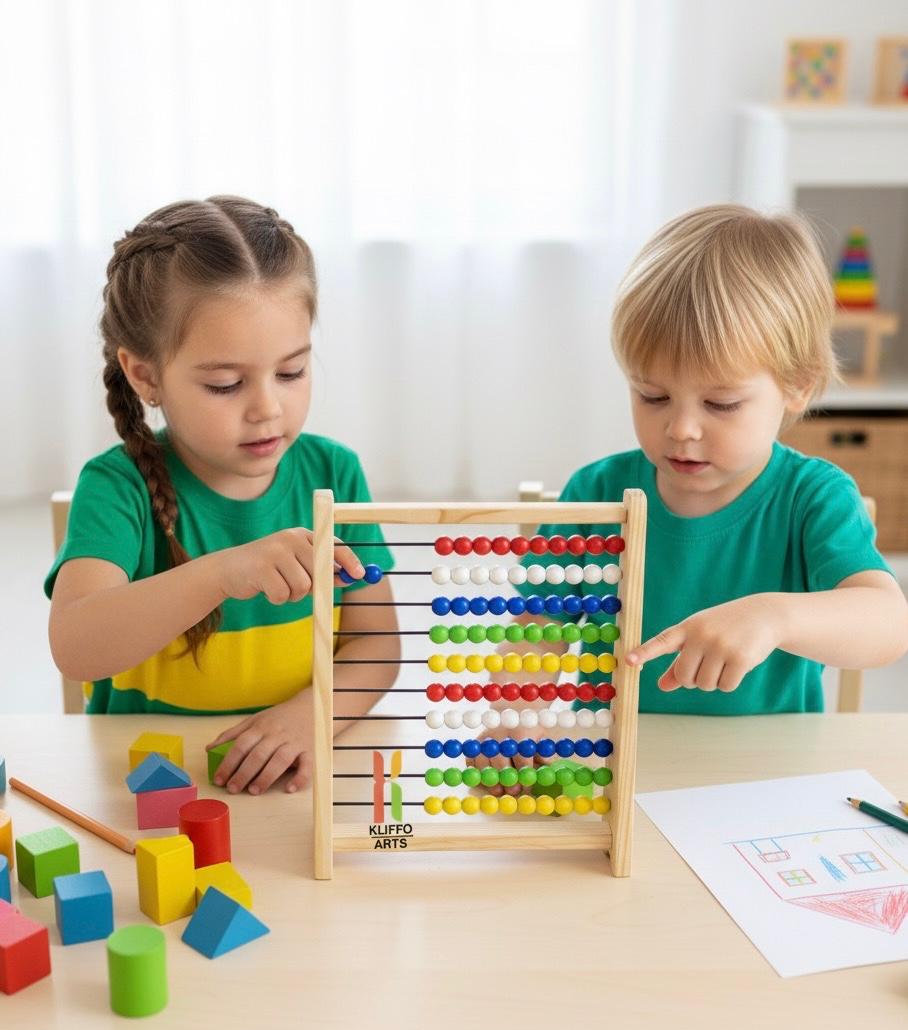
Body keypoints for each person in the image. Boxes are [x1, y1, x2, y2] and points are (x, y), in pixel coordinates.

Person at [480, 205, 908, 787]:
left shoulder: (814, 497)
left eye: (721, 404)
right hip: (617, 766)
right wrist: (516, 714)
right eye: (652, 397)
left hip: (764, 776)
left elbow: (887, 623)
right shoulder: (598, 494)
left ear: (796, 388)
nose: (681, 429)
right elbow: (537, 626)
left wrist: (776, 615)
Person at [46, 196, 399, 794]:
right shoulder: (117, 486)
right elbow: (76, 647)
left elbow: (377, 642)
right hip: (150, 784)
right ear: (146, 376)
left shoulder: (334, 472)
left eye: (291, 373)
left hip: (291, 779)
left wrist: (314, 715)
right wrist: (221, 573)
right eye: (226, 384)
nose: (268, 408)